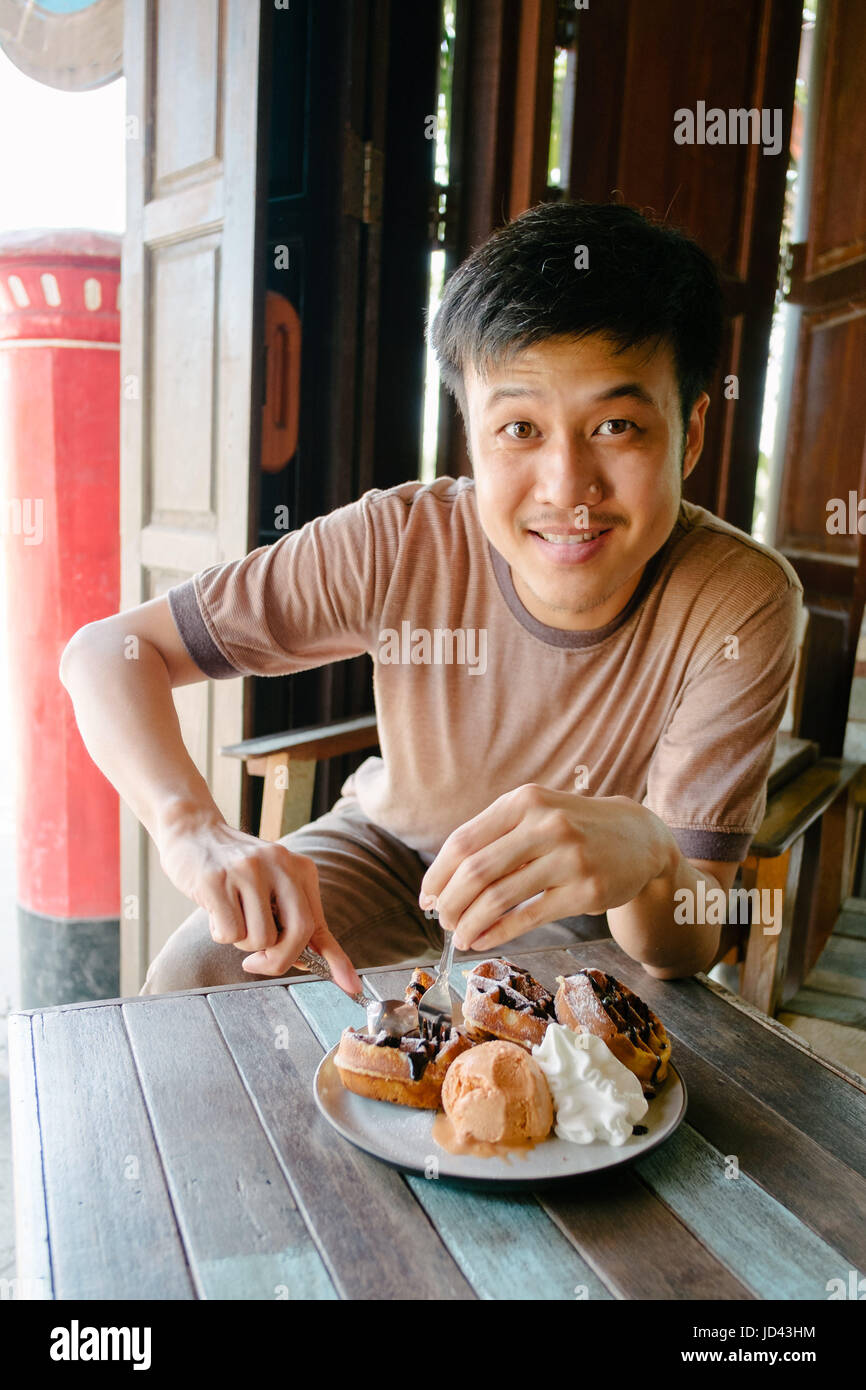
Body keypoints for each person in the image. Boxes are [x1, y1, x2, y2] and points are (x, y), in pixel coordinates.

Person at [59, 200, 801, 999]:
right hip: (384, 855)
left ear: (689, 433)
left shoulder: (740, 602)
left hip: (580, 922)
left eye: (617, 425)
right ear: (471, 434)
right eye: (519, 429)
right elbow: (106, 653)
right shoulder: (399, 540)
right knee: (193, 977)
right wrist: (192, 830)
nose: (567, 489)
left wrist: (653, 858)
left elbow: (684, 944)